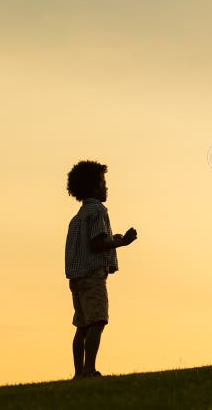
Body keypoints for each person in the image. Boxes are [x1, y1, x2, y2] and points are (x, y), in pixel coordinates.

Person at [65, 160, 138, 378]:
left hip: (76, 278)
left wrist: (110, 240)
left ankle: (78, 372)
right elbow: (97, 244)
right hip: (92, 276)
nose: (107, 187)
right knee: (97, 322)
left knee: (82, 326)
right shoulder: (98, 211)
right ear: (95, 187)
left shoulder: (77, 218)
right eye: (103, 182)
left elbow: (91, 243)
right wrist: (121, 242)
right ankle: (89, 369)